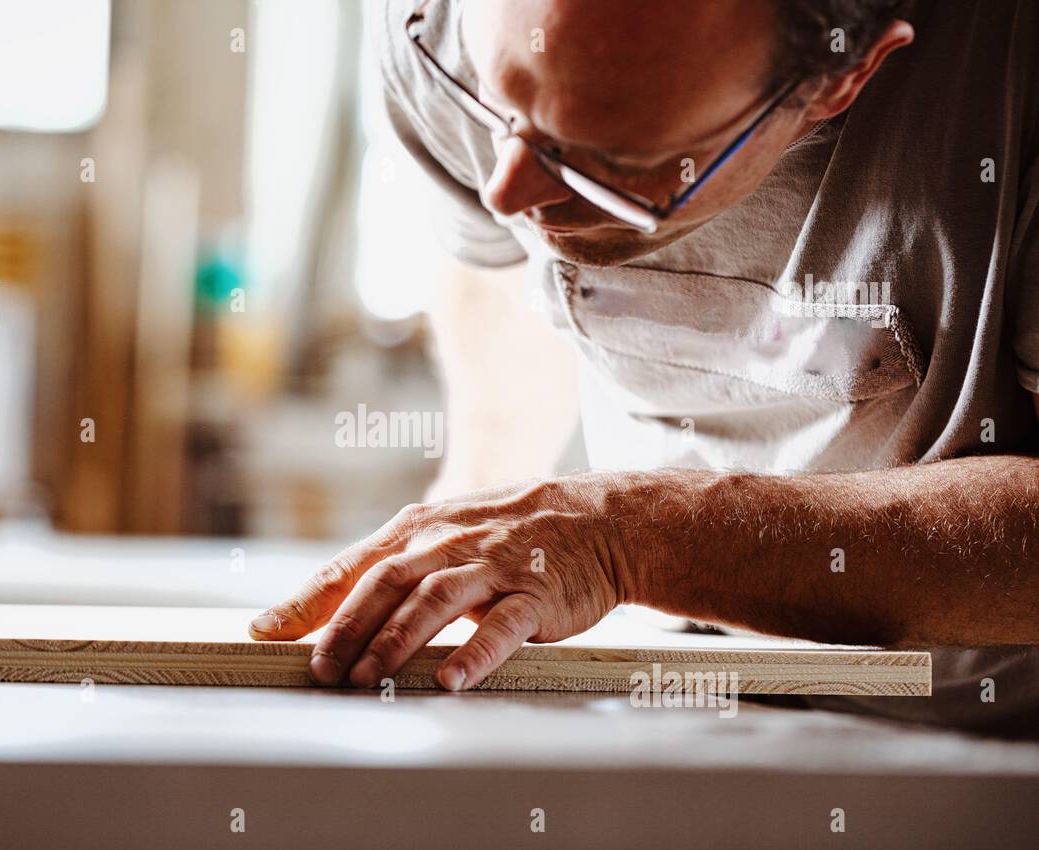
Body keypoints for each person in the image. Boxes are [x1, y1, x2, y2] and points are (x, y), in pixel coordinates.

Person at [251, 0, 1039, 735]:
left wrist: (630, 540)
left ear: (844, 77)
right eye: (500, 106)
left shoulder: (1010, 78)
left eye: (605, 161)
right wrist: (465, 540)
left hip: (976, 739)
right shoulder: (444, 25)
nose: (507, 190)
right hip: (674, 690)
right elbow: (497, 275)